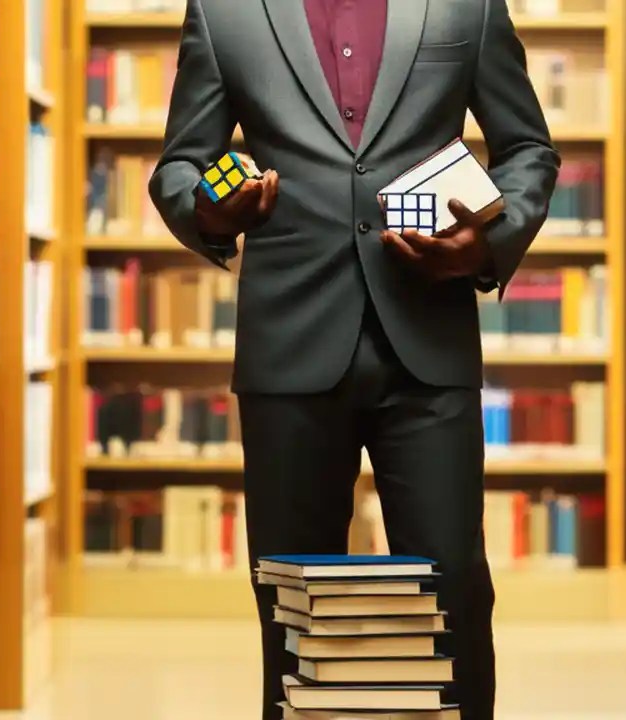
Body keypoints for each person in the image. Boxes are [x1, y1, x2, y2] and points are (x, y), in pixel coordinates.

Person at [149, 1, 558, 717]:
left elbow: (527, 149)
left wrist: (488, 242)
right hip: (288, 342)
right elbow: (181, 164)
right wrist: (209, 211)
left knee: (454, 590)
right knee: (295, 602)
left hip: (429, 339)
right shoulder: (223, 10)